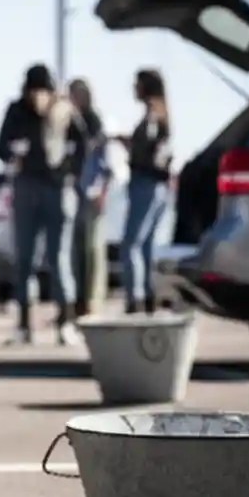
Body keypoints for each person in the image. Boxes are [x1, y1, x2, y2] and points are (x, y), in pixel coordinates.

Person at [0, 63, 86, 346]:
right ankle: (24, 324)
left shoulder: (64, 111)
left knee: (59, 258)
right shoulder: (17, 111)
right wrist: (14, 154)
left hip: (57, 189)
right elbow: (1, 147)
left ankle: (65, 321)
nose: (39, 97)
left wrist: (70, 171)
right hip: (26, 186)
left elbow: (84, 144)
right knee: (24, 259)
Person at [115, 68, 174, 314]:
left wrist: (132, 148)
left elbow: (150, 146)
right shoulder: (162, 112)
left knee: (131, 245)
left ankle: (135, 299)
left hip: (146, 183)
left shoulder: (152, 113)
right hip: (158, 186)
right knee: (146, 245)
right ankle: (148, 295)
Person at [68, 78, 112, 318]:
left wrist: (102, 191)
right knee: (75, 249)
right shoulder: (69, 124)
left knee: (93, 249)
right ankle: (76, 299)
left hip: (92, 192)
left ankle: (92, 300)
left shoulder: (94, 125)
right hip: (73, 191)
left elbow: (105, 164)